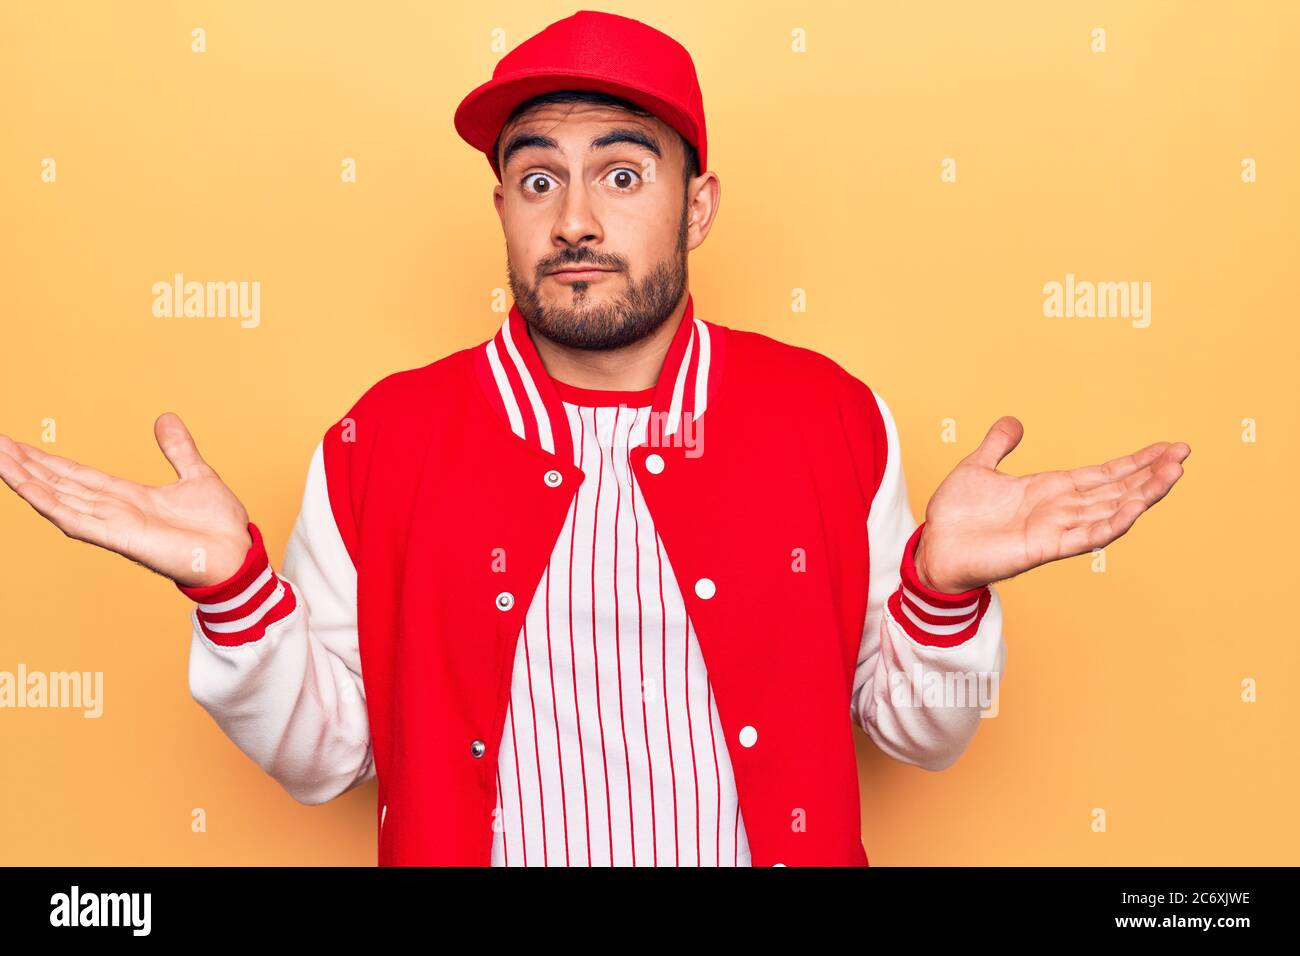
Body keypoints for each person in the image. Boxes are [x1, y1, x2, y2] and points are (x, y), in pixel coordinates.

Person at [0, 10, 1189, 866]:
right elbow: (324, 759)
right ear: (503, 208)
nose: (575, 220)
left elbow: (913, 739)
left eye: (622, 174)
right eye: (536, 181)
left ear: (696, 203)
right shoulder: (383, 440)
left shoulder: (828, 417)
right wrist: (232, 587)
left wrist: (937, 587)